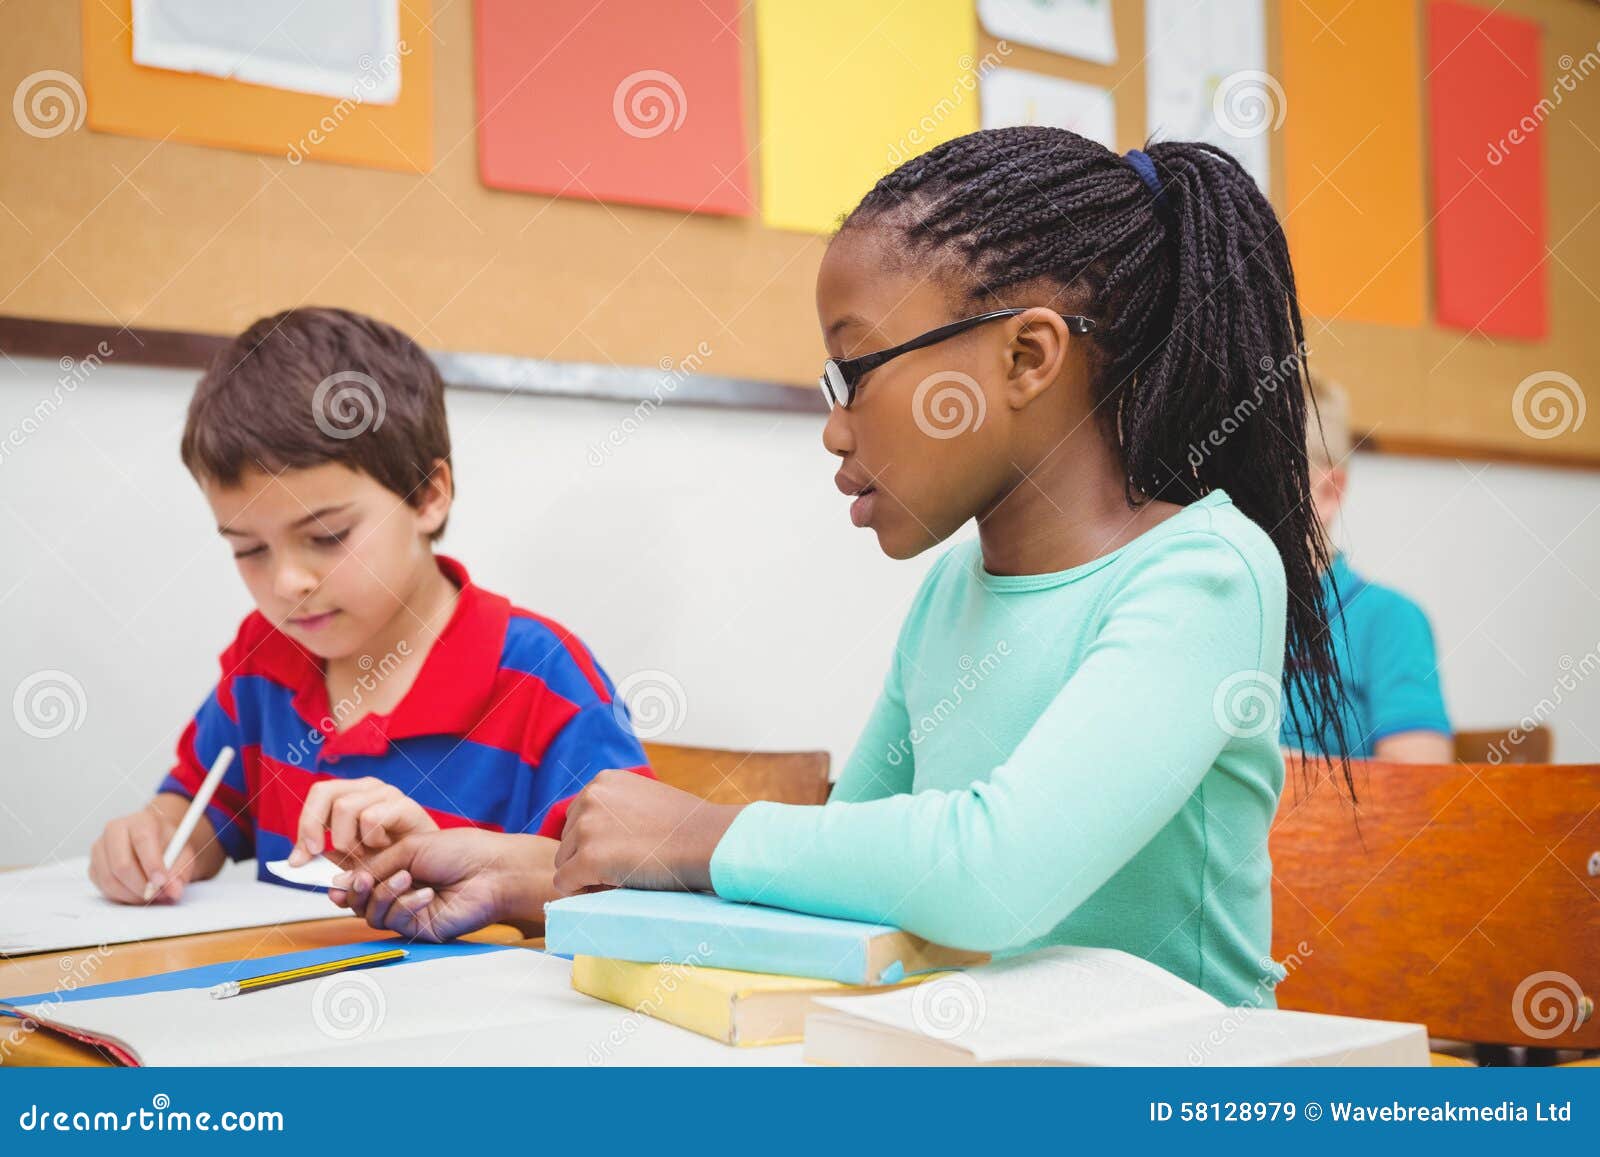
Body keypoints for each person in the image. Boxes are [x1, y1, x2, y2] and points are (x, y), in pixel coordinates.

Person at [334, 128, 1354, 1005]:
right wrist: (541, 868)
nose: (831, 428)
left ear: (1027, 357)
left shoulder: (1205, 572)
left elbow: (991, 872)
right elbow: (854, 862)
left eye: (854, 370)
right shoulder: (954, 591)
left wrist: (694, 827)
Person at [88, 308, 649, 908]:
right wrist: (155, 837)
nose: (287, 582)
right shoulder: (265, 660)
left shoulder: (541, 677)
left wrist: (468, 867)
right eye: (249, 549)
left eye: (327, 536)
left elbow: (627, 876)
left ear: (428, 496)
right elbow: (202, 805)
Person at [1280, 375, 1452, 762]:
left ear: (1326, 492)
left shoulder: (1389, 620)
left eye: (1263, 486)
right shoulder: (1210, 612)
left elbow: (1419, 788)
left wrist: (1259, 769)